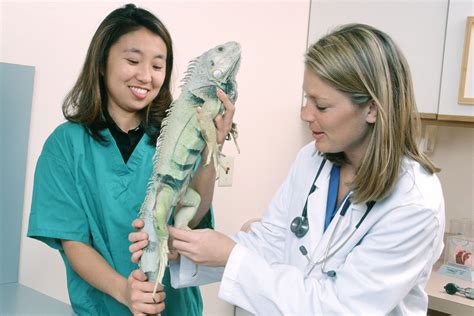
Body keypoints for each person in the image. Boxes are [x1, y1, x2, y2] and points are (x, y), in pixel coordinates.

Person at [130, 23, 445, 315]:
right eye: (307, 98)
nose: (305, 114)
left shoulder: (414, 203)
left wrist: (231, 257)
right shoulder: (312, 159)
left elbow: (341, 308)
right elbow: (269, 243)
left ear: (373, 108)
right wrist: (178, 249)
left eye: (321, 105)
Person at [27, 3, 235, 315]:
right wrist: (125, 290)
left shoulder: (174, 135)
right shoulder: (66, 145)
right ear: (102, 63)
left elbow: (190, 218)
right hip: (106, 306)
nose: (146, 76)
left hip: (175, 307)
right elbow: (73, 242)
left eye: (157, 65)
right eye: (133, 60)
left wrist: (210, 148)